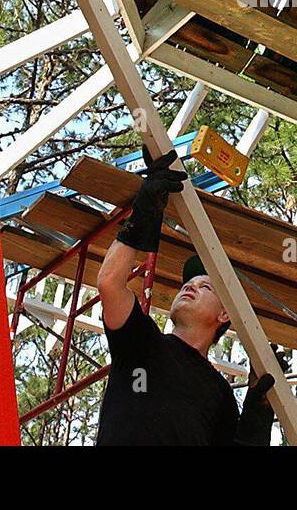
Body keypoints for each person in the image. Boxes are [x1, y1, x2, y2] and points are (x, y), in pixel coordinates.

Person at [94, 147, 278, 446]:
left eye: (204, 287)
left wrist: (259, 413)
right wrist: (143, 215)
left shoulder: (220, 395)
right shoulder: (144, 344)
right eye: (188, 283)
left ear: (224, 315)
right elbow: (110, 283)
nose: (189, 286)